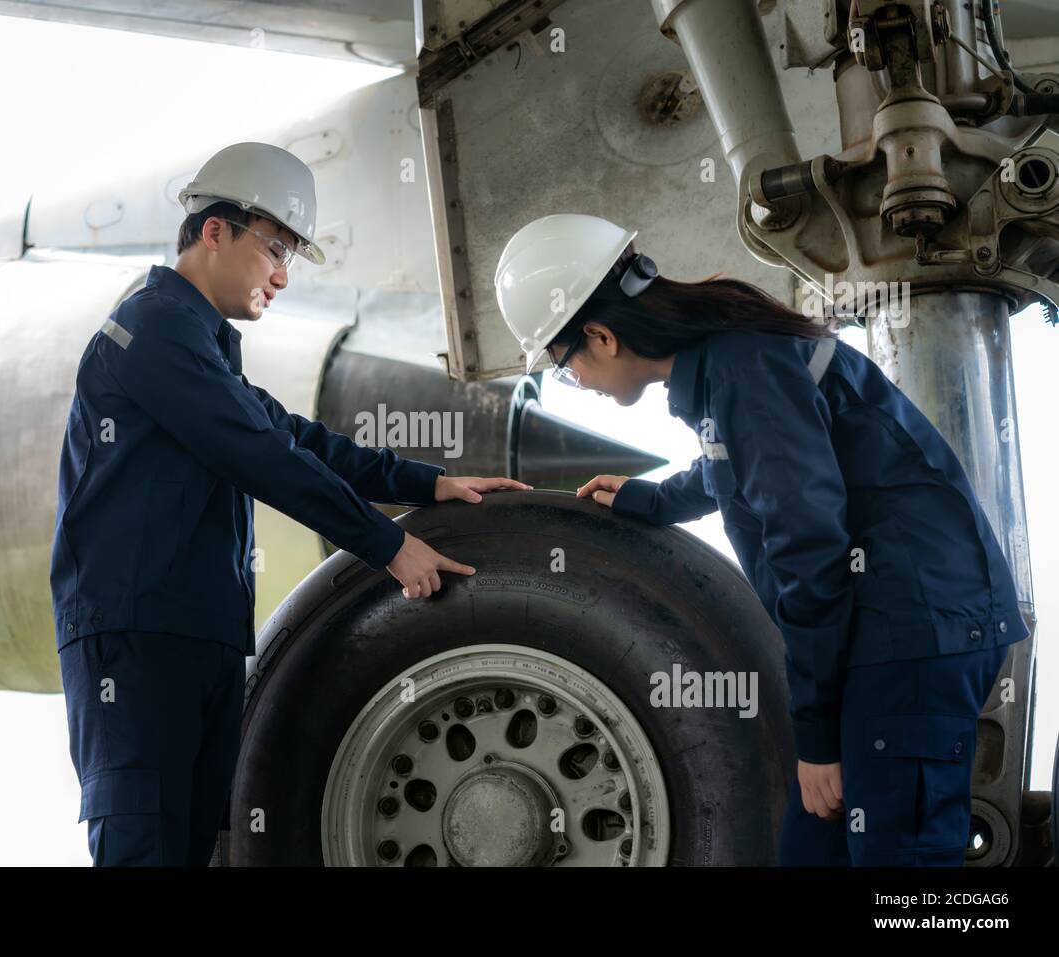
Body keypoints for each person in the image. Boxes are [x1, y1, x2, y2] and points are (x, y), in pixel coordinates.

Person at [493, 213, 1029, 866]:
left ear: (600, 336)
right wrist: (653, 498)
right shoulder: (729, 361)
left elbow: (810, 549)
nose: (578, 383)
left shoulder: (743, 364)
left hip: (913, 637)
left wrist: (817, 738)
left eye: (565, 366)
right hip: (886, 632)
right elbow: (744, 466)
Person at [51, 141, 529, 866]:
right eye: (273, 248)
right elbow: (260, 455)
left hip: (201, 636)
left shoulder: (203, 344)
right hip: (137, 639)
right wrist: (389, 546)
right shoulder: (151, 330)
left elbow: (292, 436)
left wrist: (427, 483)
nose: (281, 275)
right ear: (215, 231)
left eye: (290, 257)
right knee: (143, 841)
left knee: (208, 847)